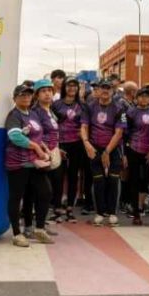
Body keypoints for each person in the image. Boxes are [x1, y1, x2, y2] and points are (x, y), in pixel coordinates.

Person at [4, 83, 53, 247]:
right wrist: (37, 147)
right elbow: (15, 137)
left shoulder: (33, 114)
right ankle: (17, 234)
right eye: (22, 95)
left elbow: (39, 134)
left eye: (28, 95)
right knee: (16, 197)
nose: (26, 97)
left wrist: (44, 146)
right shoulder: (14, 115)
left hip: (34, 163)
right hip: (18, 163)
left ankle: (39, 229)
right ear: (15, 98)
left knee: (45, 192)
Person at [82, 81, 127, 226]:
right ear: (98, 90)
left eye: (109, 88)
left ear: (113, 91)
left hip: (113, 149)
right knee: (98, 181)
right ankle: (100, 213)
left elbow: (119, 132)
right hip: (94, 148)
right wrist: (87, 143)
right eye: (103, 88)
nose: (105, 91)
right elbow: (84, 126)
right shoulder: (89, 107)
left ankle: (113, 213)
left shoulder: (120, 108)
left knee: (114, 180)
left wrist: (107, 151)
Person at [53, 77, 88, 222]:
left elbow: (85, 125)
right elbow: (51, 124)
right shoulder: (56, 105)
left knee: (74, 176)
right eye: (69, 85)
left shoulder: (83, 106)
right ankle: (57, 208)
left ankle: (70, 209)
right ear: (64, 88)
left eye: (74, 86)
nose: (72, 88)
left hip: (77, 144)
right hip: (60, 144)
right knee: (58, 176)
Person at [29, 79, 61, 231]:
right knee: (39, 192)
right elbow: (35, 135)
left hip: (51, 154)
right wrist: (44, 151)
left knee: (44, 192)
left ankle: (39, 224)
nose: (47, 93)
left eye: (50, 90)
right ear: (36, 95)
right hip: (39, 156)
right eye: (43, 91)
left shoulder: (50, 110)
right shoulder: (35, 112)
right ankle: (33, 226)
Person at [124, 87, 149, 226]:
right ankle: (136, 214)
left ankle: (141, 206)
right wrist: (125, 153)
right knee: (134, 180)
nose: (144, 99)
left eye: (147, 96)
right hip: (133, 149)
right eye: (141, 96)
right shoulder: (131, 112)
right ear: (136, 98)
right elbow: (126, 133)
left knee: (148, 179)